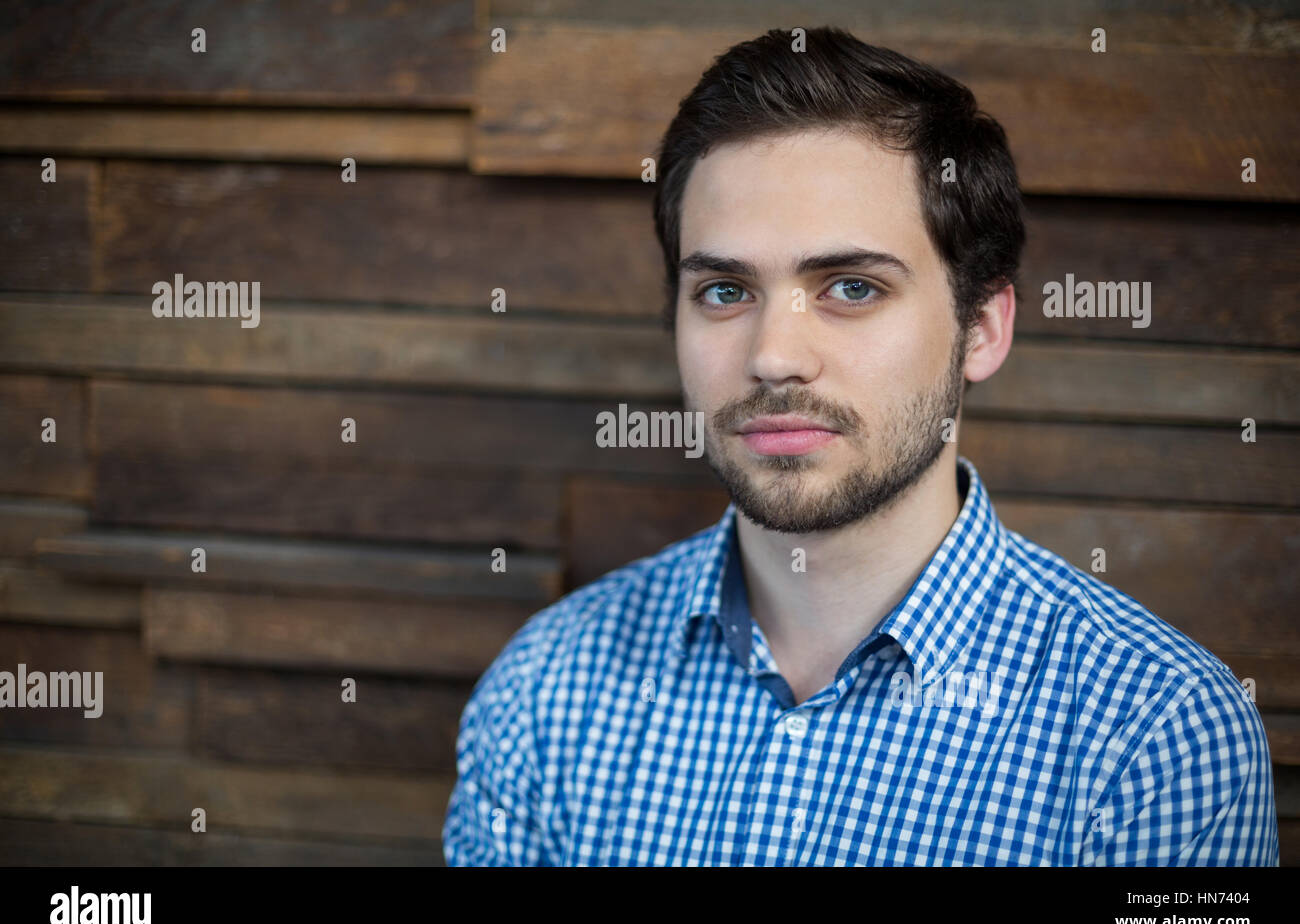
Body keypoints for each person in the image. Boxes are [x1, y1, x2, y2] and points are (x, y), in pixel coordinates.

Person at [443, 26, 1278, 866]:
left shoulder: (1156, 738)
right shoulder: (545, 691)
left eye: (852, 287)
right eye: (726, 290)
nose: (774, 356)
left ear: (981, 328)